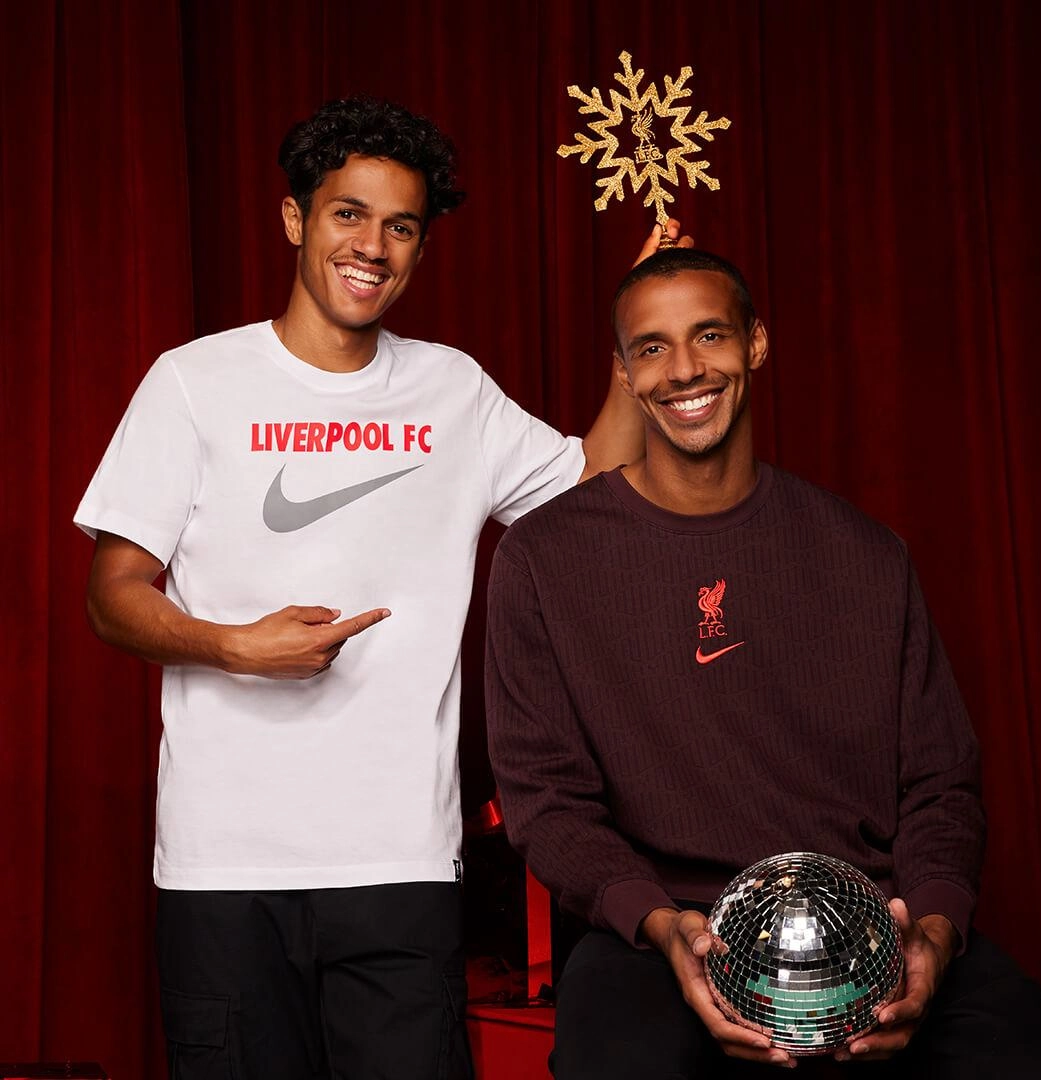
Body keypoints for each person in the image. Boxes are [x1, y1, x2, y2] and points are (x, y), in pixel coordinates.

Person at [75, 96, 680, 1080]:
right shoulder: (193, 383)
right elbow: (113, 592)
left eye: (400, 226)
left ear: (420, 249)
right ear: (295, 220)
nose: (373, 245)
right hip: (225, 873)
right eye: (347, 213)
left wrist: (637, 331)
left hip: (401, 865)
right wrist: (234, 645)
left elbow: (587, 483)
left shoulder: (451, 389)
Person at [485, 248, 1041, 1077]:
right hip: (664, 930)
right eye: (652, 348)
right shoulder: (544, 558)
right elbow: (546, 801)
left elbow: (942, 784)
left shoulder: (868, 555)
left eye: (710, 335)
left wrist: (934, 937)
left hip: (871, 916)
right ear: (622, 375)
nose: (685, 369)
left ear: (756, 344)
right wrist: (662, 928)